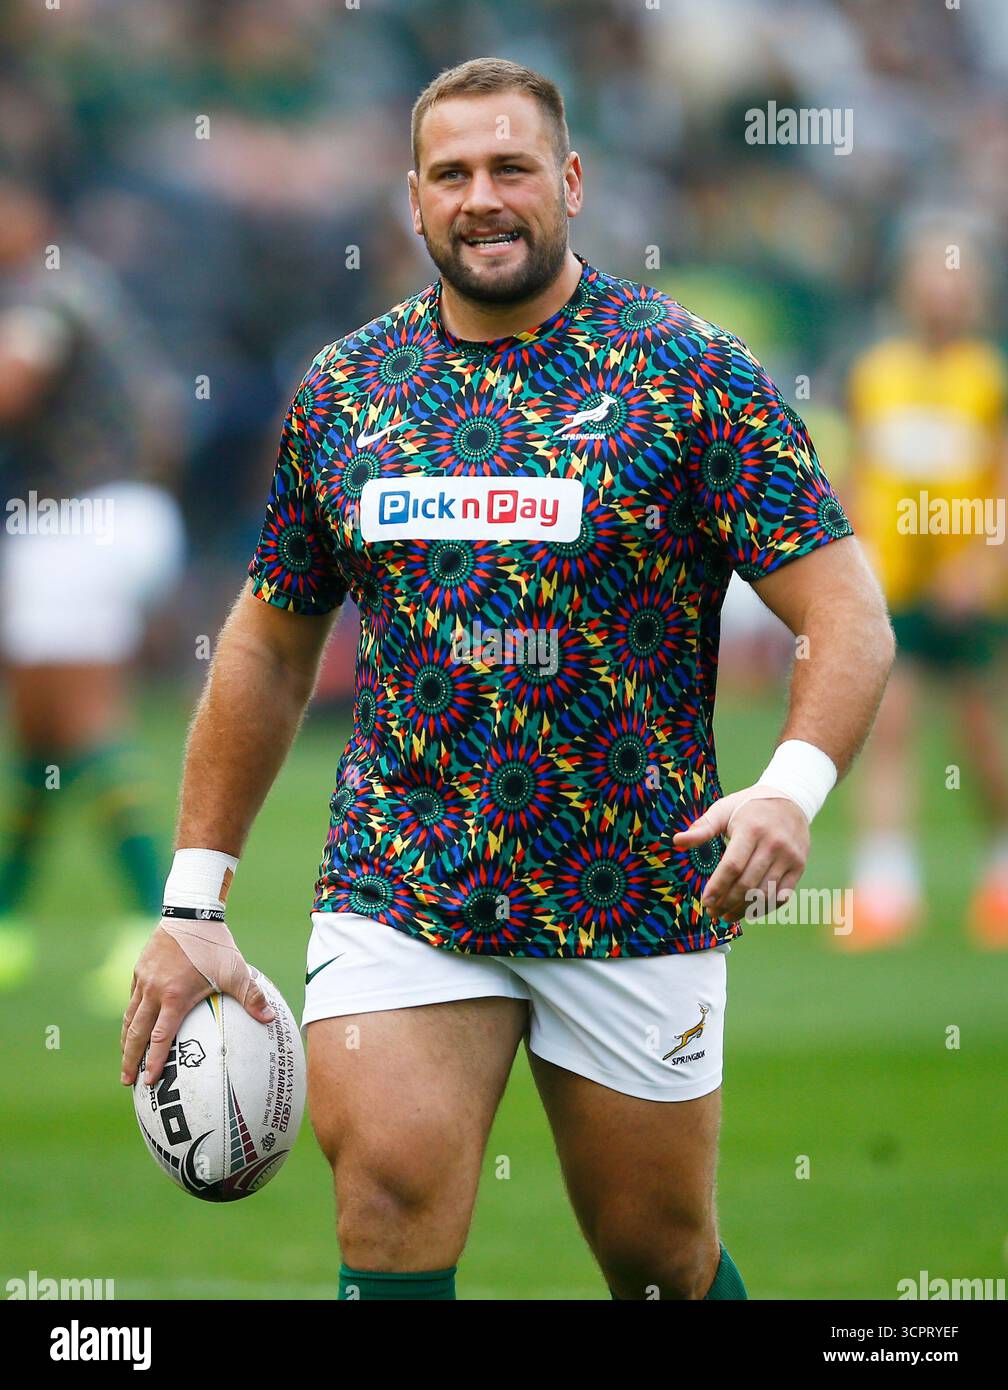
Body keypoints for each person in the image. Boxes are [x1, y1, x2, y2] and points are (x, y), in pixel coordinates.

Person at [121, 58, 893, 1300]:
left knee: (658, 1260)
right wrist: (195, 899)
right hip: (403, 874)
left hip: (635, 880)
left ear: (572, 182)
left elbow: (847, 613)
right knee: (387, 1195)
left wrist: (790, 786)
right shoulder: (346, 392)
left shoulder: (692, 373)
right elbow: (267, 644)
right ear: (413, 200)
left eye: (511, 167)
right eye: (452, 174)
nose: (483, 198)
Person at [0, 171, 187, 998]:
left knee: (78, 720)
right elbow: (163, 415)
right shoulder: (86, 286)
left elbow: (13, 385)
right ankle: (9, 919)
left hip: (80, 523)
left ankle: (158, 921)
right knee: (41, 735)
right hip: (116, 517)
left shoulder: (47, 291)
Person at [845, 227, 1008, 950]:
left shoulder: (989, 379)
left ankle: (1000, 873)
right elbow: (856, 472)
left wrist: (979, 565)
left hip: (971, 591)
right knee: (893, 726)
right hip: (896, 583)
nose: (942, 293)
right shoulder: (877, 373)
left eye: (955, 280)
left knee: (981, 739)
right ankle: (886, 888)